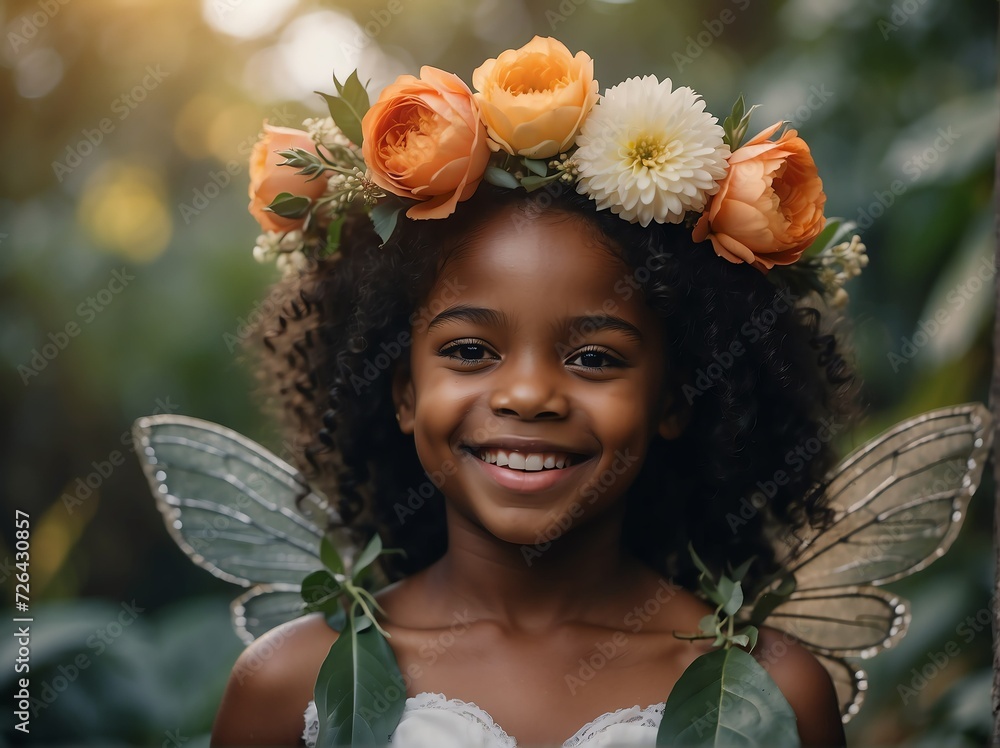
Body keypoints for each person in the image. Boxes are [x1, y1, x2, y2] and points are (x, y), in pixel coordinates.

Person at [209, 36, 858, 747]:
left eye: (593, 357)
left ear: (673, 400)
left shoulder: (776, 690)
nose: (528, 394)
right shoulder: (286, 683)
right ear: (401, 392)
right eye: (468, 351)